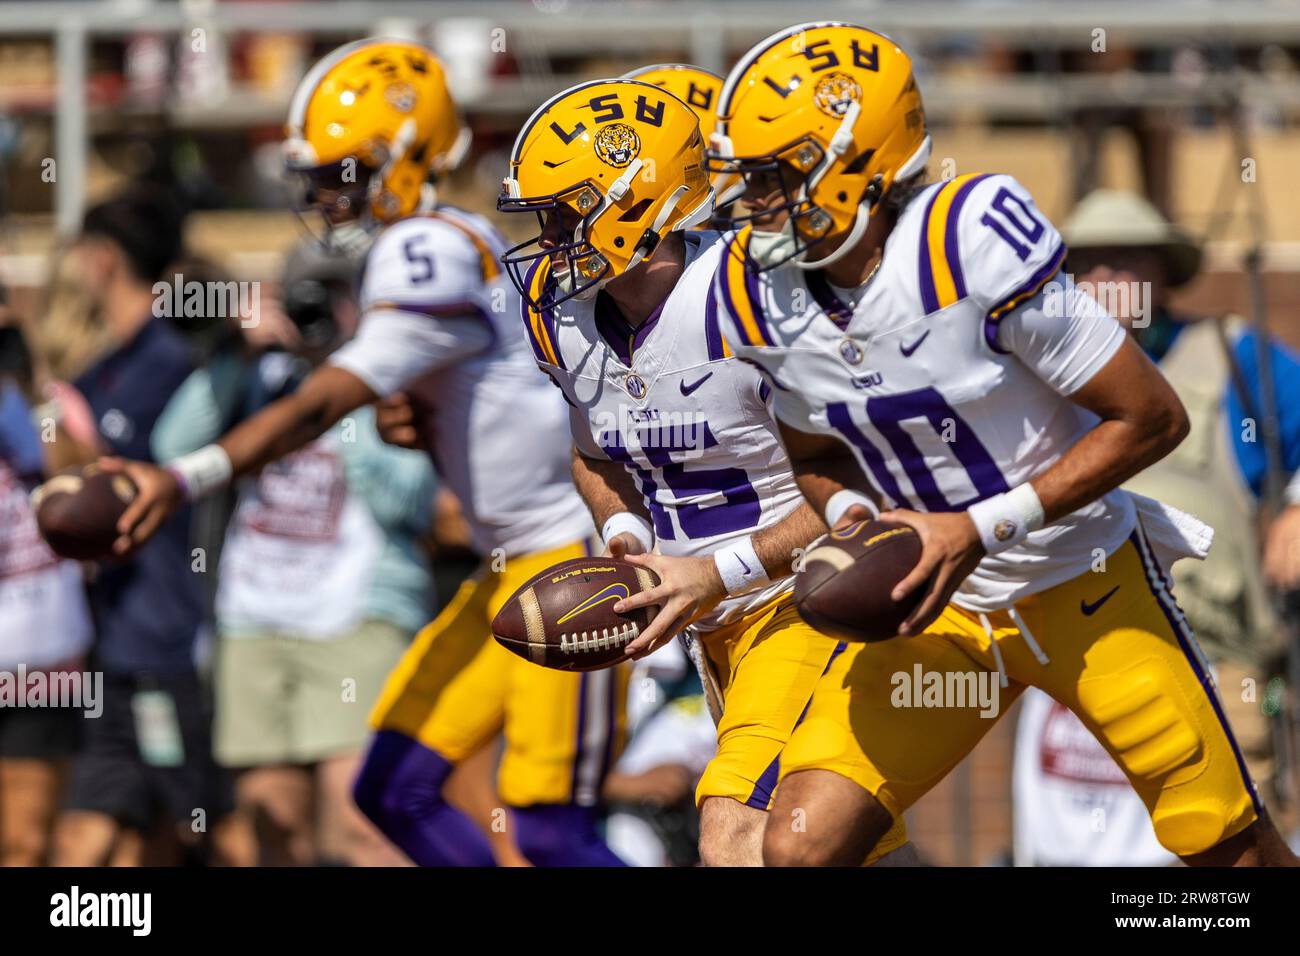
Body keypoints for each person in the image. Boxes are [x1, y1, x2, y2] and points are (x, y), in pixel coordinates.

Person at [705, 21, 1295, 866]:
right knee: (799, 845)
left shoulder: (966, 242)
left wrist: (977, 528)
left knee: (1226, 850)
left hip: (1081, 583)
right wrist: (860, 518)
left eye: (774, 176)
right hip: (938, 607)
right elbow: (815, 455)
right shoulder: (756, 297)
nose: (753, 203)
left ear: (858, 163)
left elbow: (1154, 418)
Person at [103, 39, 625, 867]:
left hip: (572, 554)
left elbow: (318, 406)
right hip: (509, 562)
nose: (325, 196)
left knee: (549, 828)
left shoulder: (431, 248)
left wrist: (183, 476)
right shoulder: (436, 241)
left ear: (408, 158)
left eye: (343, 173)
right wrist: (419, 418)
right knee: (391, 787)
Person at [495, 73, 910, 866]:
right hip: (714, 625)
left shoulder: (760, 293)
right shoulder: (562, 314)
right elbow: (592, 452)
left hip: (805, 595)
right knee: (837, 848)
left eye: (559, 215)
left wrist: (718, 572)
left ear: (630, 203)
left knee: (735, 833)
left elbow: (862, 478)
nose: (545, 241)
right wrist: (623, 530)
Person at [151, 241, 434, 866]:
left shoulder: (389, 381)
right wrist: (235, 354)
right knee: (270, 830)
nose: (322, 314)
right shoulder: (256, 374)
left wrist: (331, 400)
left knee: (361, 826)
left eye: (336, 297)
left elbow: (409, 502)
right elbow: (174, 446)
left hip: (357, 619)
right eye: (308, 299)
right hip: (255, 619)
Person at [1059, 187, 1296, 819]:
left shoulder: (1234, 355)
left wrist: (1298, 505)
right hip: (1070, 678)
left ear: (1164, 274)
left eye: (1127, 260)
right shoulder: (1034, 379)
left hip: (1218, 666)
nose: (1108, 278)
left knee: (1227, 843)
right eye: (1090, 262)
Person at [47, 187, 215, 867]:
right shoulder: (103, 366)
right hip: (109, 637)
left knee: (191, 829)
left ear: (103, 260)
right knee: (105, 832)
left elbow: (110, 486)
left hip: (163, 635)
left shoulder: (170, 362)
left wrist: (43, 415)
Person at [0, 318, 94, 866]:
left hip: (43, 662)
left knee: (28, 841)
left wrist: (32, 400)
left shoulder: (49, 404)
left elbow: (88, 484)